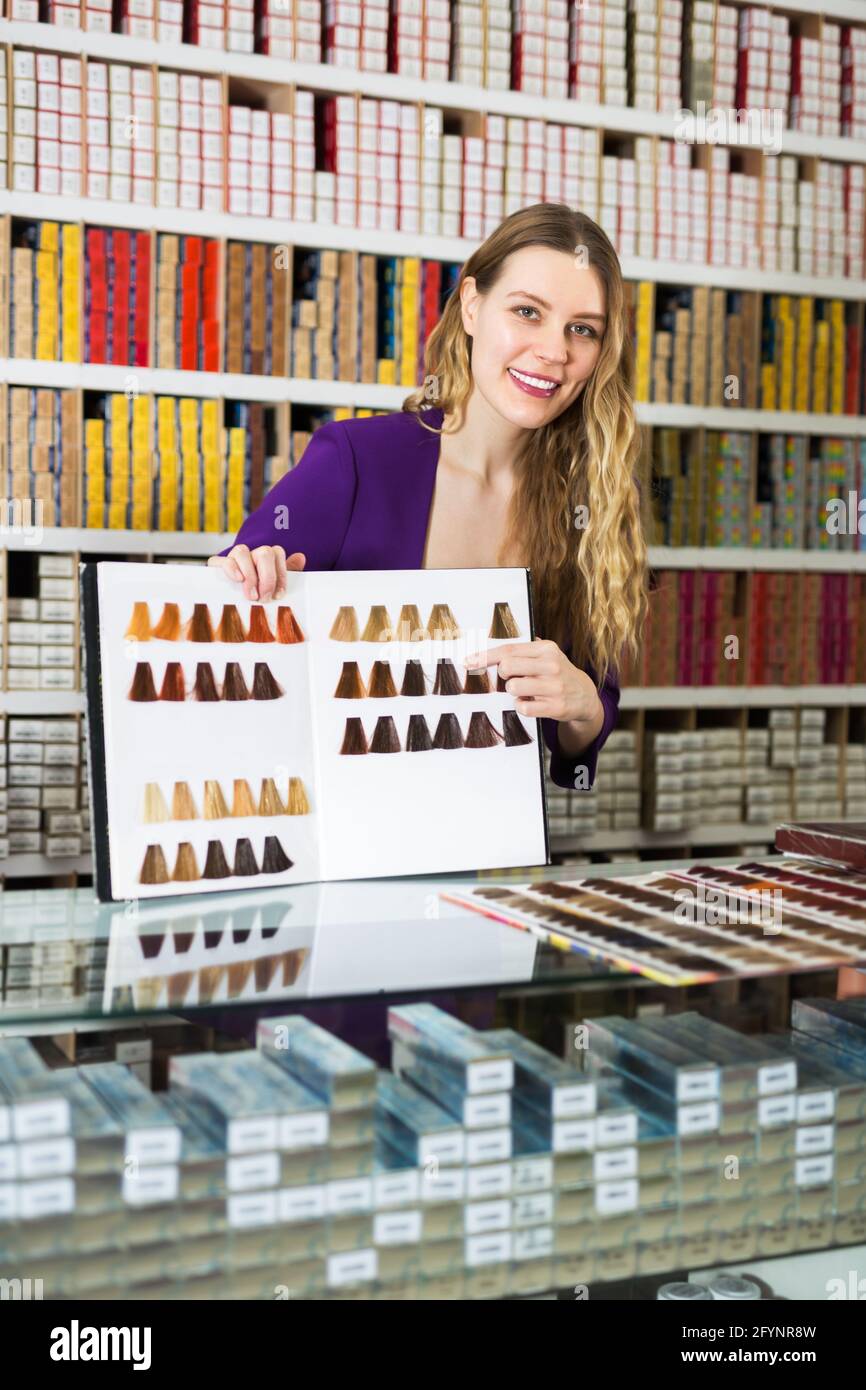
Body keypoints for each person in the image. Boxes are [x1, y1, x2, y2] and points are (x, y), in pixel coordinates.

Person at [209, 202, 648, 789]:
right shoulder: (354, 462)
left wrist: (584, 704)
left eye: (582, 329)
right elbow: (222, 626)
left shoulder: (591, 504)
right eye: (527, 312)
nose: (554, 351)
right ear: (472, 306)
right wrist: (244, 577)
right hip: (327, 833)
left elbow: (575, 746)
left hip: (478, 845)